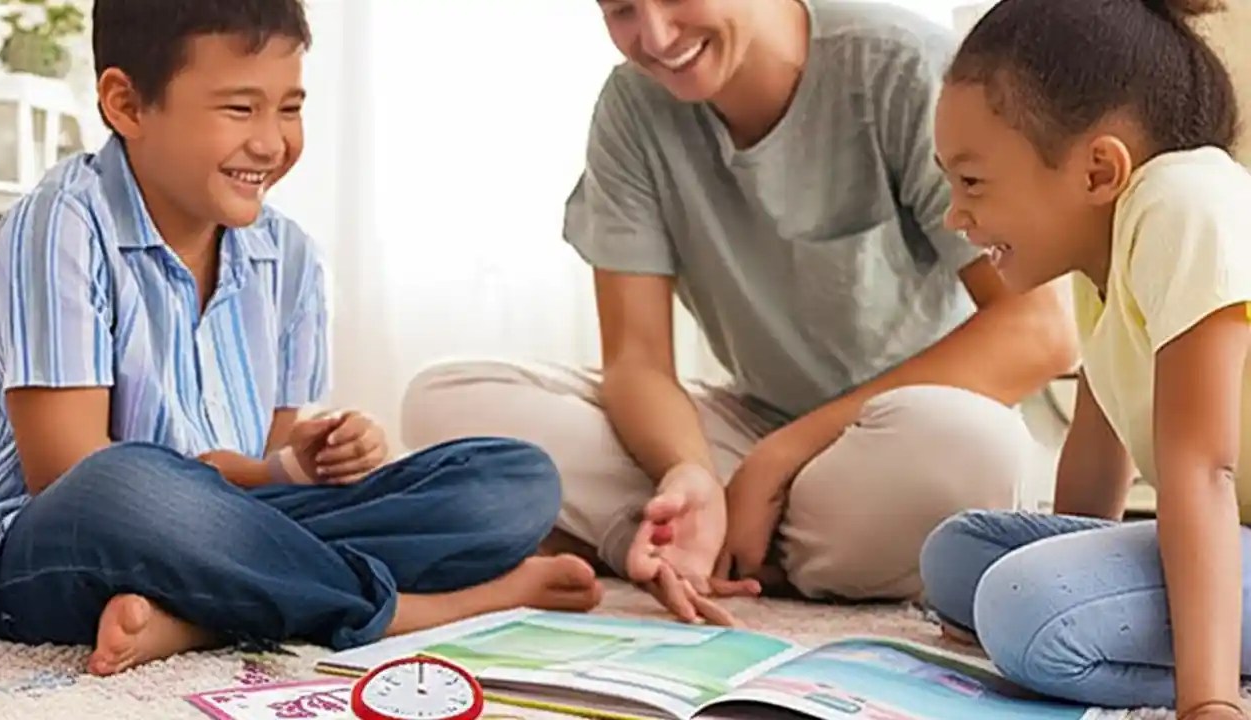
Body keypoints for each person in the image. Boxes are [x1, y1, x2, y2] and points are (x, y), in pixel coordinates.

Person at [0, 0, 601, 678]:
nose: (272, 143)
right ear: (126, 104)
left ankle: (203, 618)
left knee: (514, 480)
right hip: (53, 553)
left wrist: (302, 463)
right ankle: (406, 610)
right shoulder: (60, 226)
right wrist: (245, 482)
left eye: (290, 108)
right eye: (240, 109)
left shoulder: (288, 258)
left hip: (219, 533)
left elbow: (260, 481)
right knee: (127, 486)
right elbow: (69, 475)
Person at [400, 0, 1078, 624]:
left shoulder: (906, 70)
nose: (656, 37)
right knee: (444, 399)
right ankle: (735, 539)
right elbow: (637, 360)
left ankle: (717, 538)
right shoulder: (632, 110)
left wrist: (779, 460)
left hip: (893, 438)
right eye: (623, 9)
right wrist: (688, 471)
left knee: (977, 446)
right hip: (746, 429)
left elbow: (1040, 331)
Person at [917, 0, 1251, 717]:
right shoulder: (1103, 254)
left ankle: (1221, 671)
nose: (954, 215)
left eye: (972, 182)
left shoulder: (1185, 205)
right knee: (957, 557)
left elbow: (1203, 471)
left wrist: (1208, 704)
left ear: (1098, 170)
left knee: (1024, 609)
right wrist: (1070, 568)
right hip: (1236, 540)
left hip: (1231, 522)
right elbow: (1098, 460)